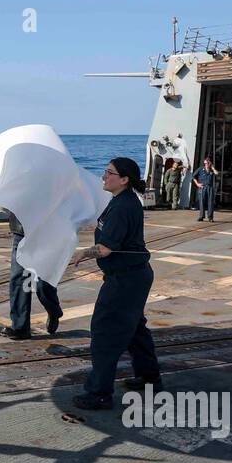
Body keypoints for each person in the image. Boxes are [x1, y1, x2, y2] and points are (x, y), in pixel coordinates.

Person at [70, 157, 162, 411]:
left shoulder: (123, 206)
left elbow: (106, 248)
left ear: (124, 180)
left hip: (125, 280)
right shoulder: (122, 201)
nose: (103, 176)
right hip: (133, 277)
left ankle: (99, 393)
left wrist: (83, 253)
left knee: (105, 332)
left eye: (109, 173)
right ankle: (149, 378)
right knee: (134, 330)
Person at [0, 210, 63, 340]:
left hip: (47, 233)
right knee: (19, 279)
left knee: (42, 284)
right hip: (21, 231)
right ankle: (20, 327)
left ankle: (54, 310)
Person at [192, 157, 217, 221]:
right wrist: (197, 184)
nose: (207, 164)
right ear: (204, 163)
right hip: (202, 187)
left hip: (210, 187)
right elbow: (193, 176)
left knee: (210, 202)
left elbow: (217, 173)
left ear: (210, 163)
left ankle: (210, 217)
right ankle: (201, 216)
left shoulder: (211, 170)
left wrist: (213, 168)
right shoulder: (200, 169)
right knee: (201, 202)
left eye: (208, 163)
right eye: (206, 163)